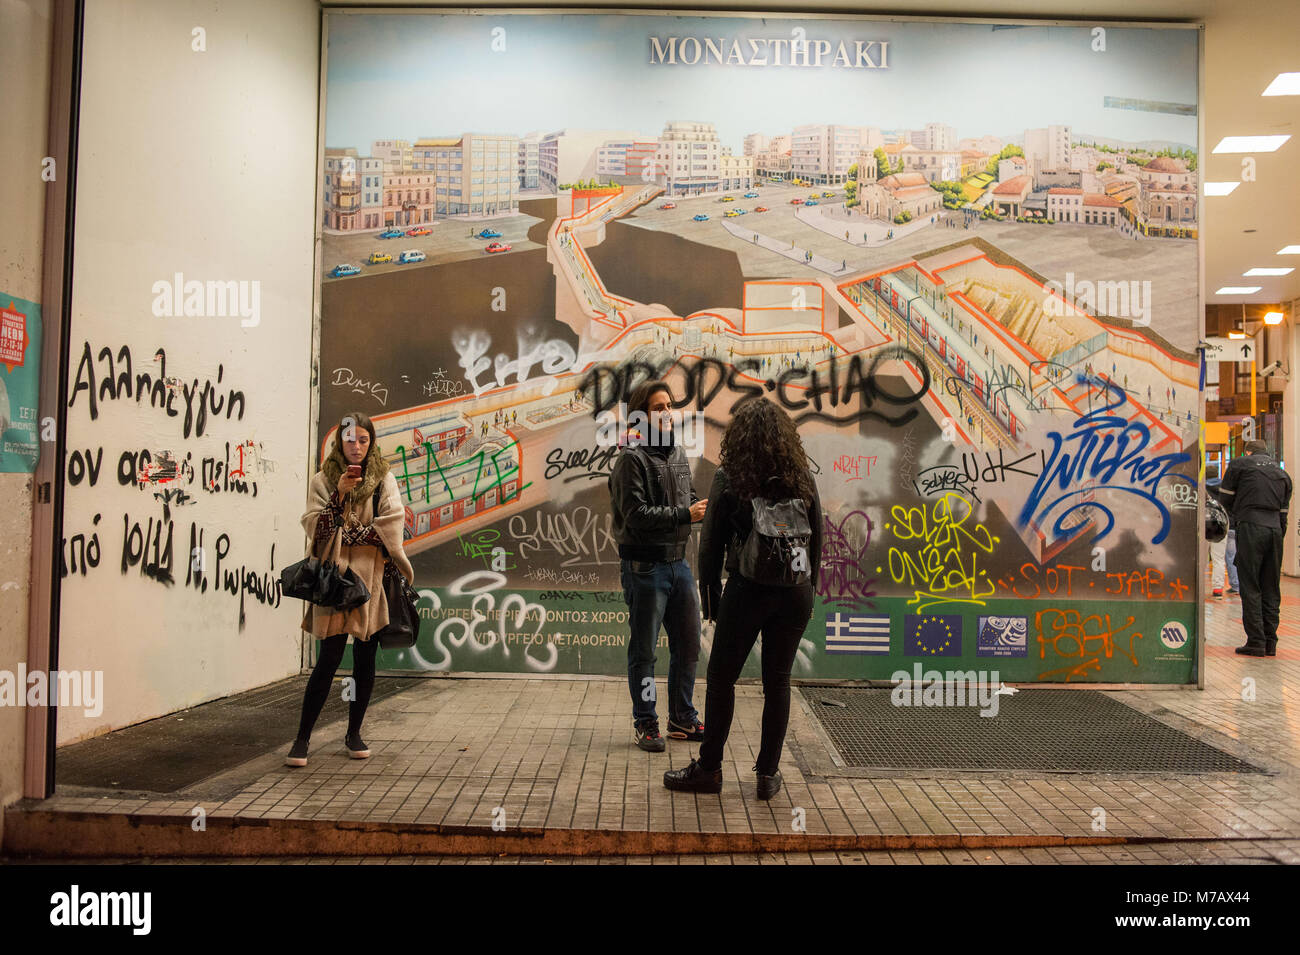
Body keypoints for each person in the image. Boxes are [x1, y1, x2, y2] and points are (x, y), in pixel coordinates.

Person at [663, 398, 823, 801]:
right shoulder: (800, 474)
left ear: (739, 436)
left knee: (721, 679)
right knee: (778, 682)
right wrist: (810, 586)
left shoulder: (731, 476)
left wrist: (712, 598)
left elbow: (711, 543)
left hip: (748, 589)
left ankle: (710, 769)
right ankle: (767, 776)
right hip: (795, 592)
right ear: (785, 437)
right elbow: (818, 534)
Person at [286, 411, 415, 766]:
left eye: (363, 440)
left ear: (371, 442)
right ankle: (302, 739)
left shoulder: (383, 477)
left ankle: (354, 732)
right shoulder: (323, 480)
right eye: (349, 440)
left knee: (365, 658)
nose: (356, 447)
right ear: (338, 443)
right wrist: (339, 496)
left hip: (370, 579)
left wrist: (355, 532)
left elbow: (393, 521)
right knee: (327, 659)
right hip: (334, 581)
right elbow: (316, 528)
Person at [609, 380, 709, 751]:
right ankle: (646, 722)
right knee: (645, 652)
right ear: (640, 415)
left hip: (679, 566)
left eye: (669, 405)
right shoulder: (631, 459)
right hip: (645, 569)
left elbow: (689, 495)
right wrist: (685, 513)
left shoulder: (677, 454)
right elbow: (635, 515)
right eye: (658, 407)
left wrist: (699, 507)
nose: (667, 412)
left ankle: (682, 718)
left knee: (688, 645)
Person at [1220, 440, 1292, 655]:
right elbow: (1283, 514)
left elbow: (1225, 501)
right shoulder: (1282, 473)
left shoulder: (1240, 464)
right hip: (1275, 530)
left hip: (1251, 525)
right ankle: (1271, 642)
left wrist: (1238, 519)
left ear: (1248, 451)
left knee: (1250, 585)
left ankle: (1255, 642)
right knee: (1271, 586)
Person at [1206, 467, 1240, 598]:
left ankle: (1198, 586)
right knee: (1224, 558)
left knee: (1202, 559)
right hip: (1225, 526)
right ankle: (1221, 588)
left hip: (1205, 526)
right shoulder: (1225, 488)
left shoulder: (1201, 488)